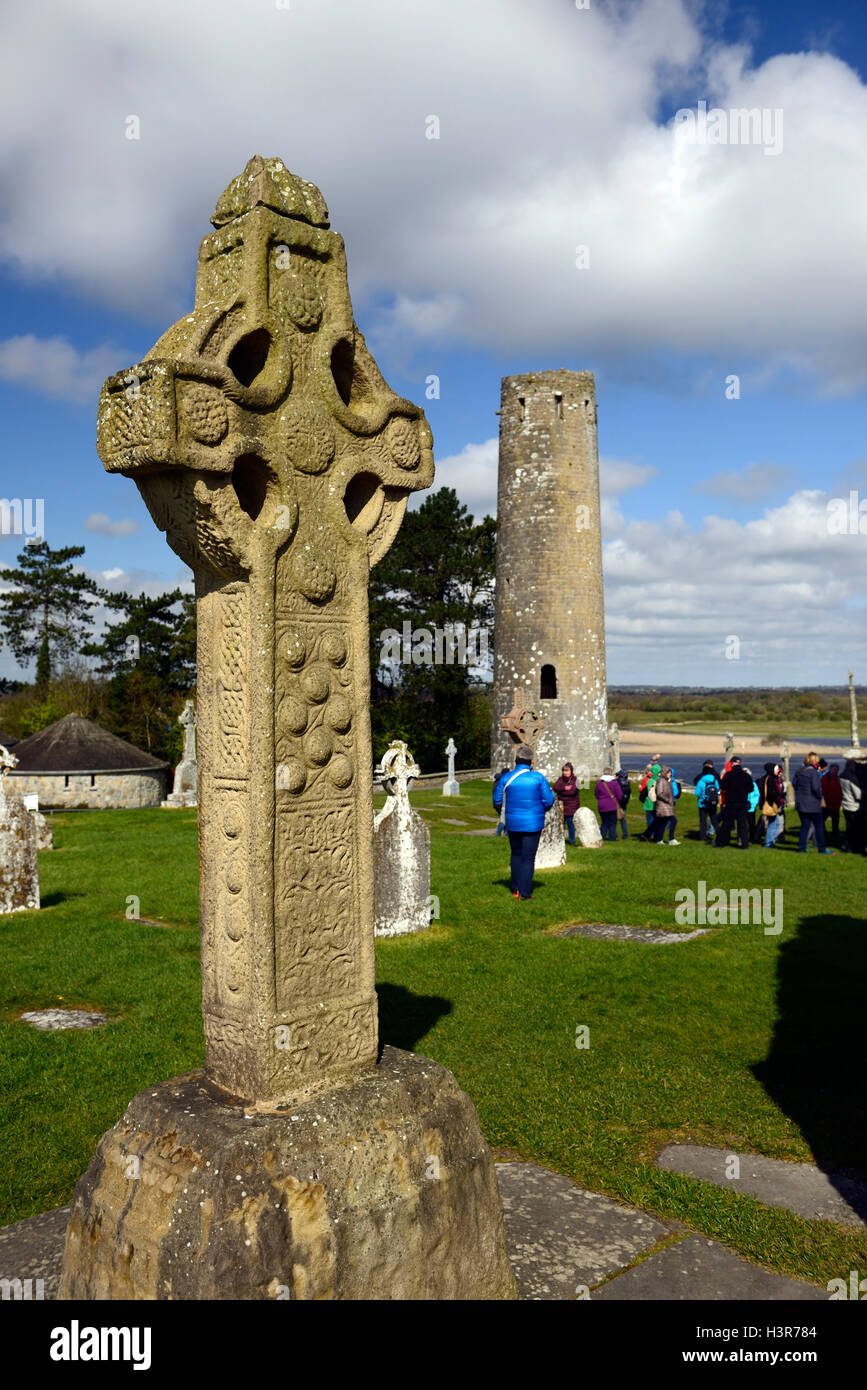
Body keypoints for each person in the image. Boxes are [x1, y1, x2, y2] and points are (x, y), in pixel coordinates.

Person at [492, 745, 555, 898]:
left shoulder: (507, 778)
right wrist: (541, 811)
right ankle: (525, 892)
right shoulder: (538, 778)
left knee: (516, 854)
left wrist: (505, 814)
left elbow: (497, 800)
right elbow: (549, 799)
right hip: (533, 823)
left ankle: (515, 889)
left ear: (516, 760)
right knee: (528, 858)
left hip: (513, 823)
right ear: (530, 761)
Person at [793, 752, 834, 855]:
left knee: (804, 826)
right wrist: (821, 796)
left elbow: (794, 784)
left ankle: (802, 848)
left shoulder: (799, 771)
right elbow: (816, 788)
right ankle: (822, 848)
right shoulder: (813, 773)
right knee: (819, 826)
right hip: (813, 804)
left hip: (801, 803)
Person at [716, 757, 754, 849]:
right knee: (742, 825)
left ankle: (722, 842)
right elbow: (751, 788)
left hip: (731, 803)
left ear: (732, 764)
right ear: (740, 764)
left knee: (727, 823)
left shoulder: (728, 775)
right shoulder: (746, 775)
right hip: (743, 803)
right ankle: (744, 844)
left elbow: (723, 786)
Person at [756, 763, 784, 847]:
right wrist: (778, 802)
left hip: (767, 802)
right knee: (775, 823)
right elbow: (772, 793)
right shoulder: (771, 779)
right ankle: (769, 842)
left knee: (773, 823)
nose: (777, 771)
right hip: (771, 804)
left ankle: (769, 841)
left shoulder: (765, 778)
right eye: (776, 769)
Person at [553, 763, 581, 846]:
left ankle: (572, 841)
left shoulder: (576, 780)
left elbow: (573, 792)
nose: (565, 772)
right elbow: (555, 788)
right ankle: (559, 841)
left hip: (572, 806)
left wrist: (561, 793)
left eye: (567, 770)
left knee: (571, 825)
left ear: (571, 771)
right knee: (560, 825)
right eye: (564, 771)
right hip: (562, 806)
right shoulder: (560, 779)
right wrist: (564, 788)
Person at [594, 766, 623, 841]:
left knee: (604, 823)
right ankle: (612, 838)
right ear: (611, 773)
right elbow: (620, 795)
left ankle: (602, 837)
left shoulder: (599, 783)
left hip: (602, 806)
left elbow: (596, 794)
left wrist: (601, 799)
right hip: (612, 805)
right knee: (612, 823)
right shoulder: (614, 783)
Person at [840, 758, 864, 853]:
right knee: (854, 827)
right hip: (854, 806)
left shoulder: (841, 776)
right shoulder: (852, 778)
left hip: (845, 804)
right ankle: (852, 846)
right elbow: (858, 794)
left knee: (848, 826)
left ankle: (846, 845)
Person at [651, 765, 678, 843]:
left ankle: (659, 839)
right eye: (668, 772)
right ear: (664, 773)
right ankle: (671, 839)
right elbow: (659, 793)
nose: (670, 774)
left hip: (668, 806)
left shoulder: (667, 781)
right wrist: (667, 800)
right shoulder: (661, 781)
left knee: (662, 823)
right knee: (673, 821)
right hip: (663, 806)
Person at [694, 761, 720, 841]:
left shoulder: (701, 781)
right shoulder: (715, 780)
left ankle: (703, 837)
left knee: (703, 821)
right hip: (713, 803)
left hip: (703, 803)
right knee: (714, 820)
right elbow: (718, 789)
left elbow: (696, 793)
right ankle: (719, 834)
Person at [637, 762, 660, 840]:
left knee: (653, 821)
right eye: (659, 771)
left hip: (649, 803)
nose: (660, 773)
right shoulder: (652, 781)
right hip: (651, 803)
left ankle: (650, 835)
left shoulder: (649, 780)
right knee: (652, 821)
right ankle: (650, 835)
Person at [823, 763, 843, 845]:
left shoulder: (838, 778)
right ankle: (823, 834)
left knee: (836, 820)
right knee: (822, 819)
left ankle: (835, 834)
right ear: (830, 769)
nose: (835, 771)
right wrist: (828, 799)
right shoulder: (826, 778)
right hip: (828, 803)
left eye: (837, 770)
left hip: (836, 804)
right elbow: (824, 789)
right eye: (834, 769)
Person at [615, 766, 631, 838]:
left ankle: (613, 834)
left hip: (616, 803)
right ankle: (625, 834)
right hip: (624, 803)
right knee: (623, 819)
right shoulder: (628, 784)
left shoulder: (616, 783)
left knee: (613, 820)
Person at [494, 767, 510, 835]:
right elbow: (500, 794)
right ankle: (499, 833)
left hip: (497, 803)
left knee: (504, 819)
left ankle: (505, 833)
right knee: (503, 819)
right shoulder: (503, 781)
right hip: (501, 803)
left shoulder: (497, 780)